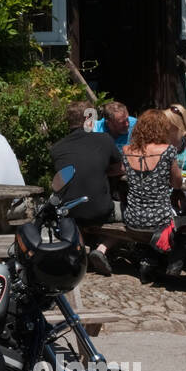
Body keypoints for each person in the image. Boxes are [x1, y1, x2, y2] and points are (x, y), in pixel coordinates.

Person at [122, 110, 186, 286]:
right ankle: (180, 264)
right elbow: (177, 183)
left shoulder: (127, 150)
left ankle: (152, 260)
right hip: (159, 218)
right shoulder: (167, 151)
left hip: (131, 217)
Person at [51, 100, 124, 276]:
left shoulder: (57, 148)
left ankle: (80, 248)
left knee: (75, 208)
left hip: (70, 211)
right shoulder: (104, 140)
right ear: (89, 120)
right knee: (131, 213)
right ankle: (102, 247)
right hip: (100, 209)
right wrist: (102, 171)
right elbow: (121, 168)